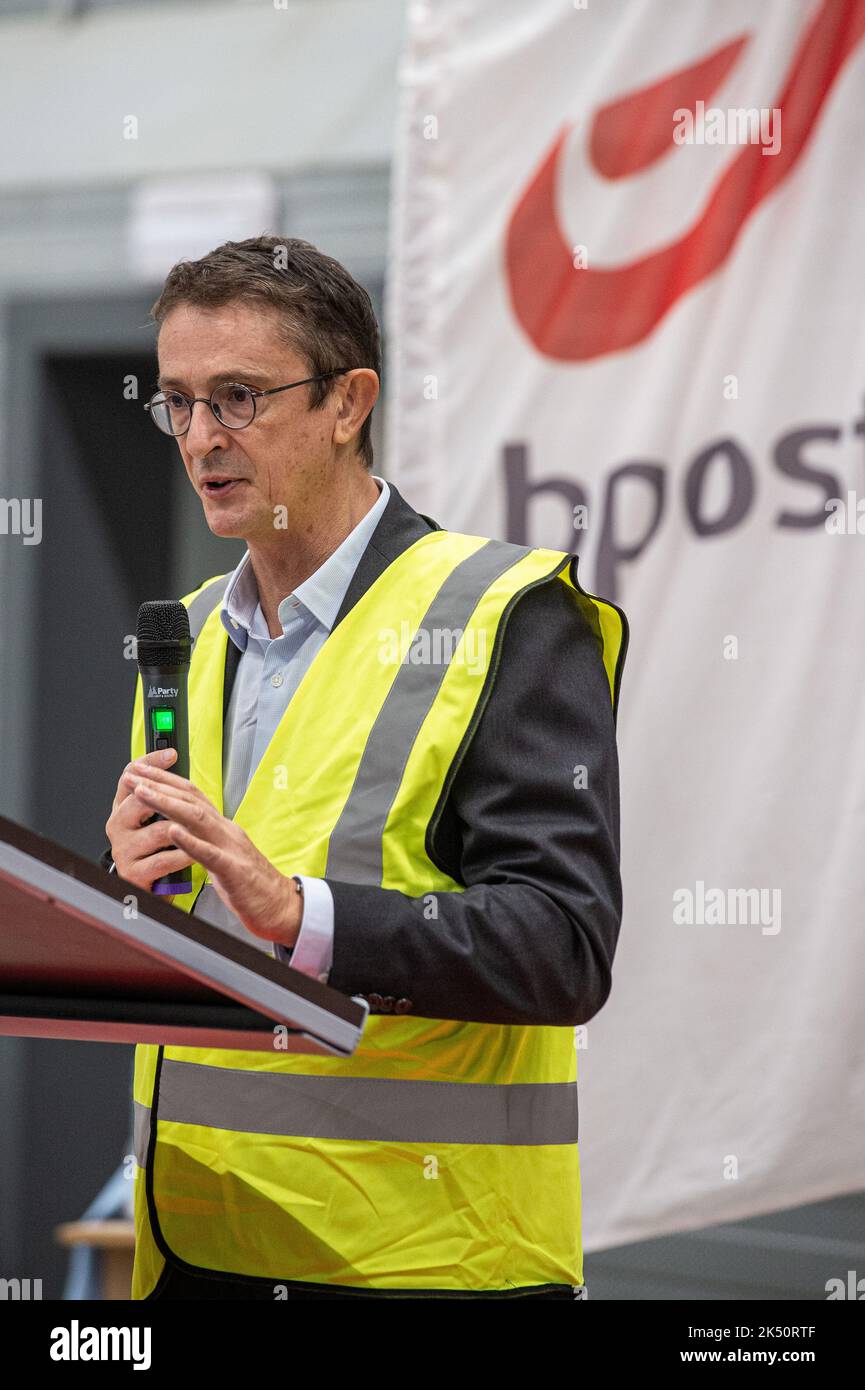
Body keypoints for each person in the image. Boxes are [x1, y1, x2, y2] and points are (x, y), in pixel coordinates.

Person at [102, 235, 629, 1300]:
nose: (202, 437)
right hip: (199, 1251)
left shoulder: (504, 614)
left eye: (239, 396)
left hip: (427, 1262)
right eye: (179, 403)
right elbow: (191, 941)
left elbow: (562, 949)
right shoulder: (188, 635)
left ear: (348, 403)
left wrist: (302, 915)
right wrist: (123, 894)